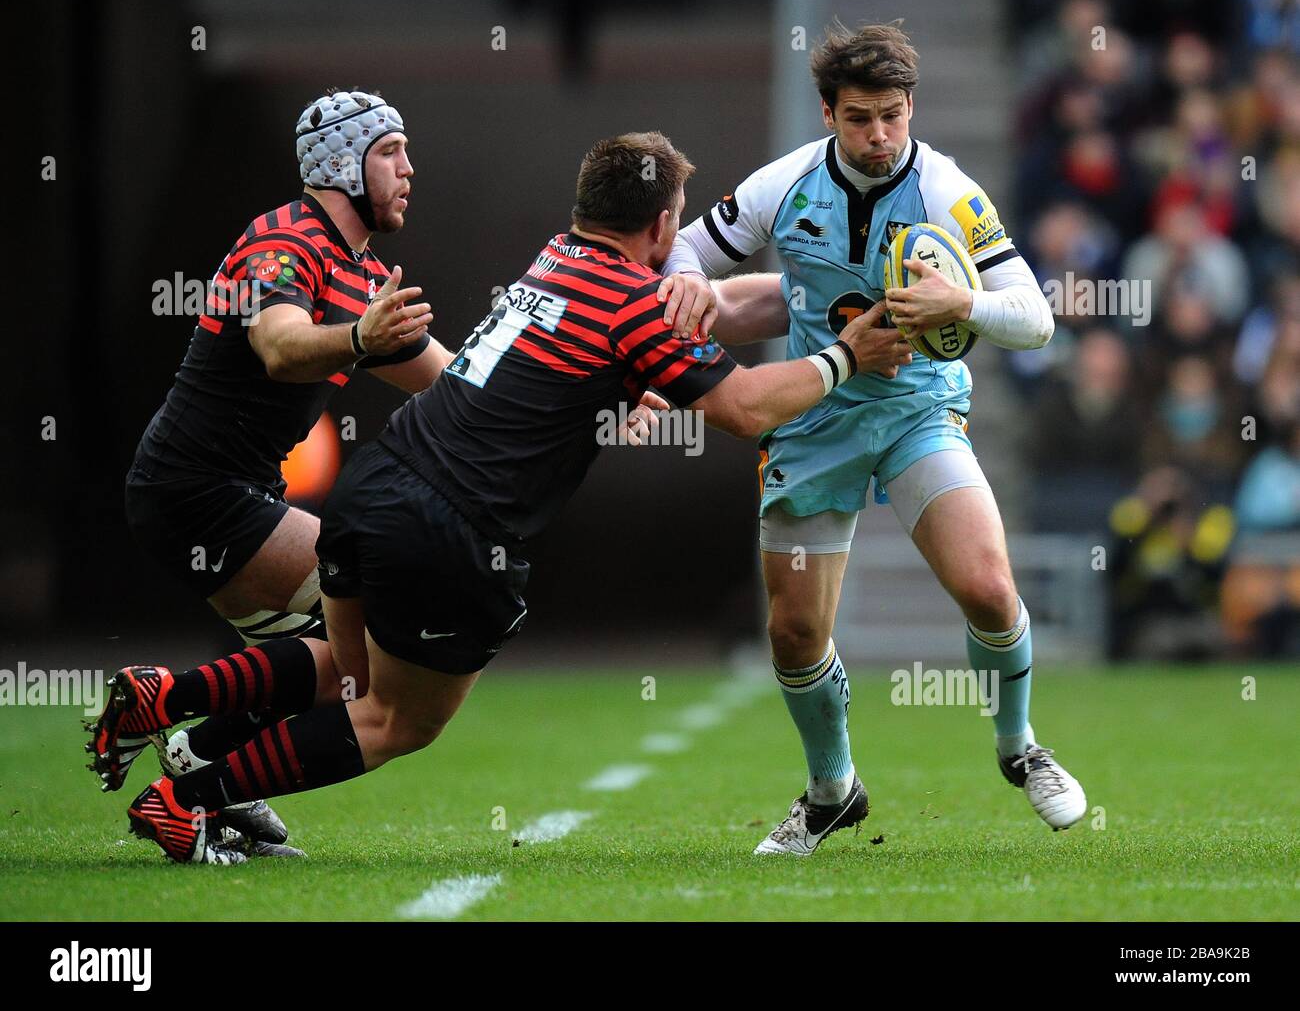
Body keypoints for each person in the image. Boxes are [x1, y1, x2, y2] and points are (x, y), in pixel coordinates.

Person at [93, 130, 913, 864]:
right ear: (664, 227)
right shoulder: (633, 303)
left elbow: (544, 372)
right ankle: (185, 799)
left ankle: (174, 698)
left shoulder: (553, 258)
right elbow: (745, 410)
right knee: (394, 721)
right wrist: (845, 354)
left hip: (370, 488)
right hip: (449, 532)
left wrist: (617, 390)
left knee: (347, 678)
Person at [658, 21, 1087, 855]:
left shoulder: (947, 194)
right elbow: (682, 248)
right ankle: (832, 790)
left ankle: (1018, 745)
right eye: (860, 118)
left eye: (893, 114)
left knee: (991, 588)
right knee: (792, 633)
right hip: (814, 417)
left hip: (917, 410)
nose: (881, 135)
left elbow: (1035, 319)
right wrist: (684, 295)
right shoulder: (781, 186)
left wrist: (961, 307)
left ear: (911, 107)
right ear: (827, 113)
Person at [94, 89, 452, 851]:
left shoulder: (363, 272)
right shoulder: (283, 240)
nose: (408, 169)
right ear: (341, 163)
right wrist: (359, 336)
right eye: (391, 152)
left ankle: (193, 756)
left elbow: (460, 385)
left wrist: (588, 389)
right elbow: (280, 345)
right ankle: (182, 731)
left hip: (229, 492)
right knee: (371, 619)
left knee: (341, 668)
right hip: (193, 489)